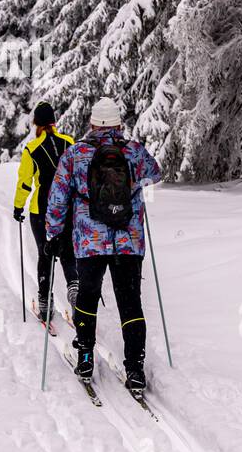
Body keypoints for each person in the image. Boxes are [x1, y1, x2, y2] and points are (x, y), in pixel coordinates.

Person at [45, 96, 161, 393]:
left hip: (89, 241)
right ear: (119, 124)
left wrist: (53, 233)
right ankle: (134, 369)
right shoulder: (134, 152)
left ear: (93, 123)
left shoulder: (75, 154)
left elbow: (57, 198)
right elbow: (155, 173)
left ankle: (85, 358)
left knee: (87, 296)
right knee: (130, 302)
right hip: (128, 241)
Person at [12, 101, 79, 320]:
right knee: (68, 252)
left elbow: (25, 183)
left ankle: (44, 302)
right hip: (66, 210)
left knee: (45, 254)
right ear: (53, 122)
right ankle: (74, 289)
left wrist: (18, 207)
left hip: (41, 211)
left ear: (36, 124)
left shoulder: (31, 149)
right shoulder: (69, 143)